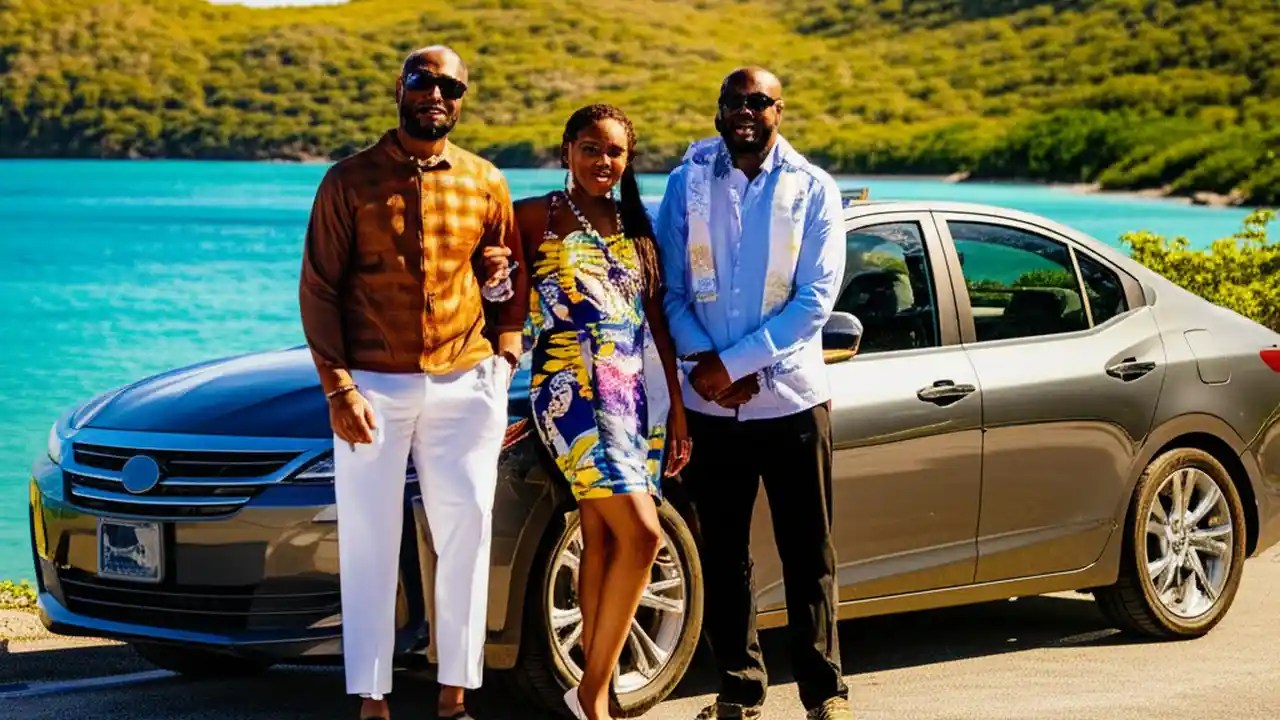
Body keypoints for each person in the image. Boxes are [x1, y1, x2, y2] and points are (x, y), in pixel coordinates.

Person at [298, 45, 526, 720]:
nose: (437, 95)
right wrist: (338, 388)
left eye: (450, 87)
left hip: (468, 380)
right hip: (372, 384)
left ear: (461, 100)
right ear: (400, 87)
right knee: (368, 540)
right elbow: (319, 289)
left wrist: (505, 356)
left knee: (467, 534)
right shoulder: (348, 181)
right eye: (424, 81)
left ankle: (454, 698)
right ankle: (373, 702)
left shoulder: (486, 181)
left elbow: (508, 283)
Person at [655, 68, 853, 720]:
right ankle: (739, 690)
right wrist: (707, 367)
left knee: (808, 553)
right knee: (721, 555)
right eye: (734, 101)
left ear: (779, 110)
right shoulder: (686, 185)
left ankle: (825, 694)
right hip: (711, 409)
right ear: (719, 110)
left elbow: (814, 301)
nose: (745, 111)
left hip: (791, 403)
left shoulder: (812, 189)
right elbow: (670, 289)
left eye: (758, 102)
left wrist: (735, 363)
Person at [515, 104, 692, 720]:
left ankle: (597, 685)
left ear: (627, 160)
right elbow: (492, 291)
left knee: (603, 537)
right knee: (644, 534)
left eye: (615, 152)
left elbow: (657, 323)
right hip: (570, 391)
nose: (602, 161)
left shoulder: (636, 225)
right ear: (566, 149)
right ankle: (593, 693)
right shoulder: (534, 215)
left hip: (631, 396)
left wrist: (678, 408)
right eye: (591, 148)